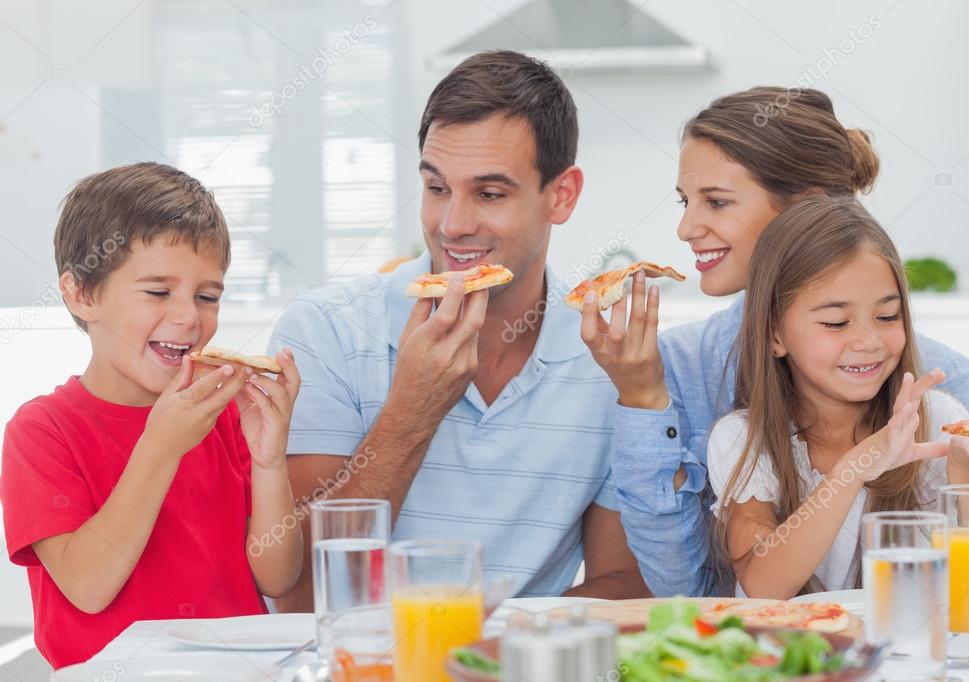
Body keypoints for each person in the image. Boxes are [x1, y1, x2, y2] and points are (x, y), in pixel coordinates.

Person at [270, 50, 649, 611]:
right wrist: (412, 411)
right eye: (437, 188)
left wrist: (482, 638)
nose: (453, 226)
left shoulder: (607, 361)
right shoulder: (324, 333)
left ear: (561, 195)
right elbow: (304, 594)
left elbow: (623, 585)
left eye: (489, 194)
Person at [579, 87, 969, 597]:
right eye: (687, 201)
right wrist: (642, 399)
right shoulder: (674, 368)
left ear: (805, 208)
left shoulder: (941, 386)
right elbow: (685, 591)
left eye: (717, 201)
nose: (686, 228)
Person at [0, 163, 303, 668]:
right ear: (82, 294)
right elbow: (88, 586)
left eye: (207, 296)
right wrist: (161, 446)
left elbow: (278, 577)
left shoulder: (223, 415)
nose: (188, 316)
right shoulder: (42, 432)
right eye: (158, 292)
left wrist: (270, 462)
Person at [706, 196, 969, 597]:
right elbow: (764, 586)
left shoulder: (936, 419)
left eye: (887, 316)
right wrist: (855, 468)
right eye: (836, 322)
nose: (869, 341)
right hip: (797, 658)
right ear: (774, 334)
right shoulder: (742, 438)